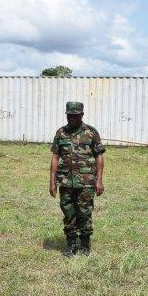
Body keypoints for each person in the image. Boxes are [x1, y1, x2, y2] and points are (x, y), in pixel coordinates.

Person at [49, 101, 105, 256]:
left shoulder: (91, 132)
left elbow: (99, 157)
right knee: (68, 212)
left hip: (86, 181)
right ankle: (71, 244)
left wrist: (99, 180)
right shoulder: (61, 133)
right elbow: (55, 157)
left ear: (82, 115)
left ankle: (85, 244)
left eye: (75, 115)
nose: (71, 118)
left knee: (84, 212)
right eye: (69, 115)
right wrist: (52, 182)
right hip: (65, 181)